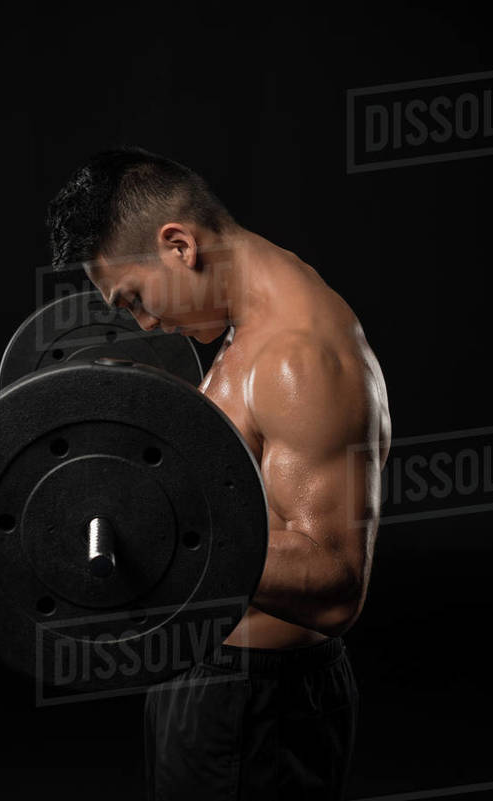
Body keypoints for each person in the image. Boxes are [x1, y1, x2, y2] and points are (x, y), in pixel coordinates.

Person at [46, 147, 392, 800]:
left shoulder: (299, 357)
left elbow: (336, 579)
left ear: (177, 245)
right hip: (211, 680)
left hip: (259, 704)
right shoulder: (241, 333)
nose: (144, 321)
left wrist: (150, 530)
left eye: (137, 297)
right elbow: (236, 488)